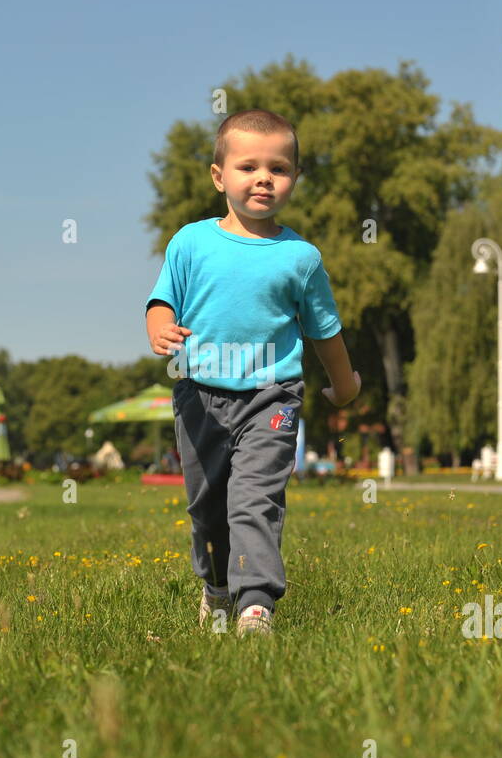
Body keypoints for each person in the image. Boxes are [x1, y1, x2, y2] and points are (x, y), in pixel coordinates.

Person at [145, 109, 361, 637]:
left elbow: (323, 330)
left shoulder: (300, 258)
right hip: (199, 396)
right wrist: (159, 326)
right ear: (219, 176)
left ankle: (255, 605)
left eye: (278, 168)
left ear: (294, 179)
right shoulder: (190, 243)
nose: (263, 177)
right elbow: (160, 301)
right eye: (248, 166)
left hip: (272, 397)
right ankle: (217, 587)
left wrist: (346, 383)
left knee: (254, 499)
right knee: (207, 508)